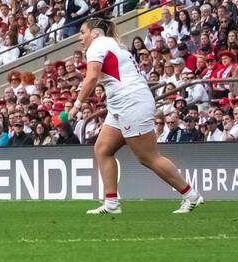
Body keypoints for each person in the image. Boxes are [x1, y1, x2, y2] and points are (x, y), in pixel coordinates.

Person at [71, 17, 202, 215]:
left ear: (95, 33)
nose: (80, 37)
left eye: (82, 32)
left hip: (131, 102)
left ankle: (191, 195)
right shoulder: (114, 44)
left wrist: (77, 104)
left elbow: (92, 76)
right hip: (122, 104)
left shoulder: (97, 44)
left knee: (148, 157)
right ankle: (111, 203)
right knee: (103, 149)